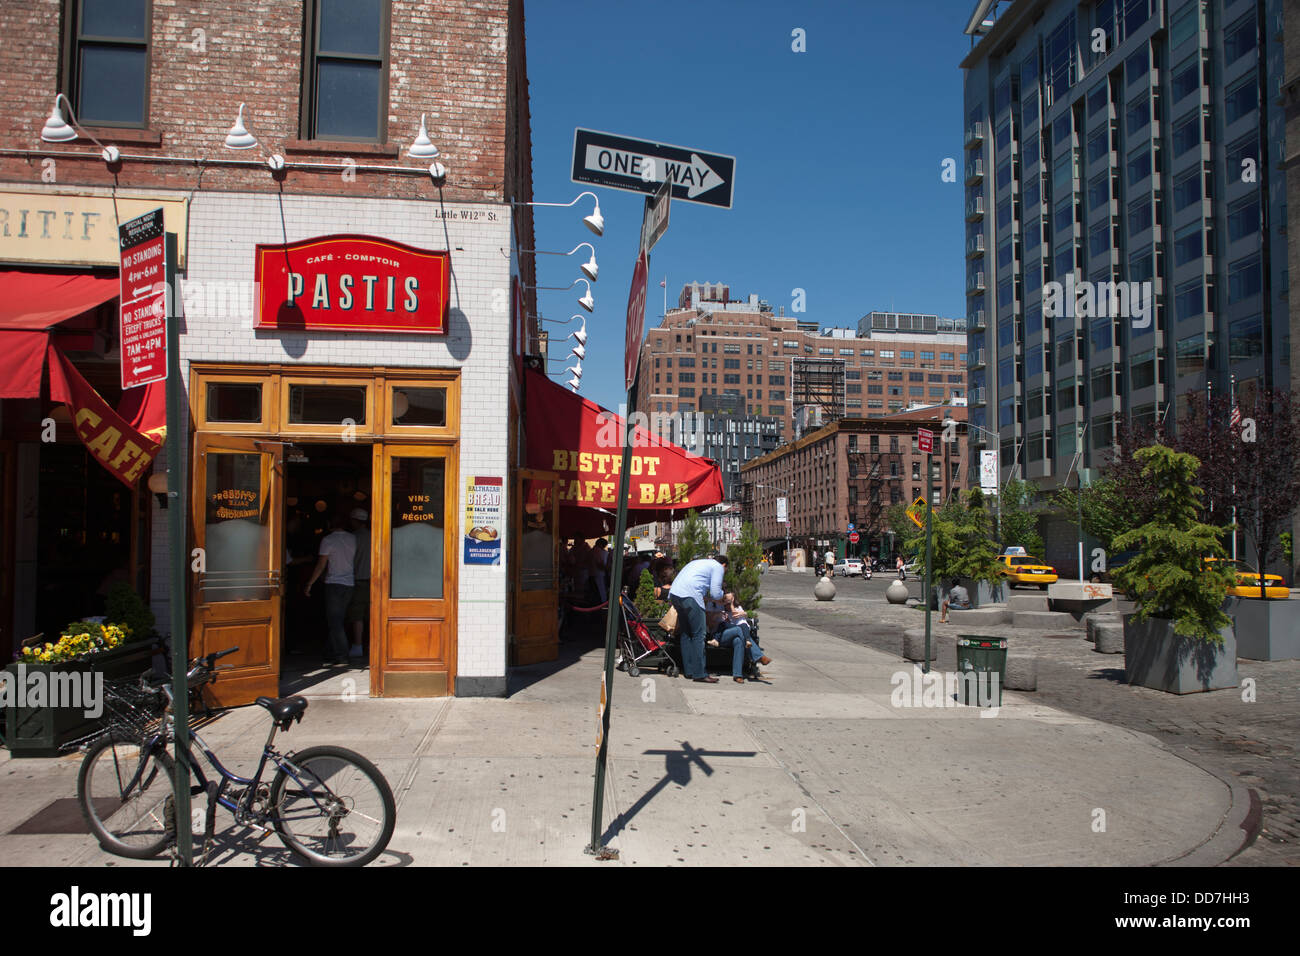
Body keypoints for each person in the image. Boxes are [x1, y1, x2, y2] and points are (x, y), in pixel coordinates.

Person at [305, 512, 357, 667]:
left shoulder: (328, 540)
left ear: (330, 524)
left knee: (335, 621)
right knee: (338, 620)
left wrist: (310, 583)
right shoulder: (352, 538)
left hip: (334, 583)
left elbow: (321, 565)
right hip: (349, 583)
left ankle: (342, 656)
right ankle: (329, 654)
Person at [668, 553, 728, 683]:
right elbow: (716, 593)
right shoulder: (718, 567)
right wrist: (724, 597)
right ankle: (700, 673)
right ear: (724, 565)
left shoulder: (699, 562)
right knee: (699, 634)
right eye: (726, 570)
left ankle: (689, 671)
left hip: (675, 594)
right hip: (690, 596)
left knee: (686, 633)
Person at [714, 591, 771, 683]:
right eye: (726, 600)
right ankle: (759, 656)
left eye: (731, 600)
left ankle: (737, 675)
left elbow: (742, 618)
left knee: (738, 641)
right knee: (739, 629)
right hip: (721, 637)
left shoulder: (738, 608)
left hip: (735, 636)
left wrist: (739, 610)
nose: (728, 603)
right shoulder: (720, 609)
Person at [346, 508, 370, 662]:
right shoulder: (375, 535)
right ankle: (372, 645)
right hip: (376, 581)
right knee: (372, 614)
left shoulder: (352, 538)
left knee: (357, 615)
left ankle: (357, 645)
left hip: (358, 580)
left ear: (354, 521)